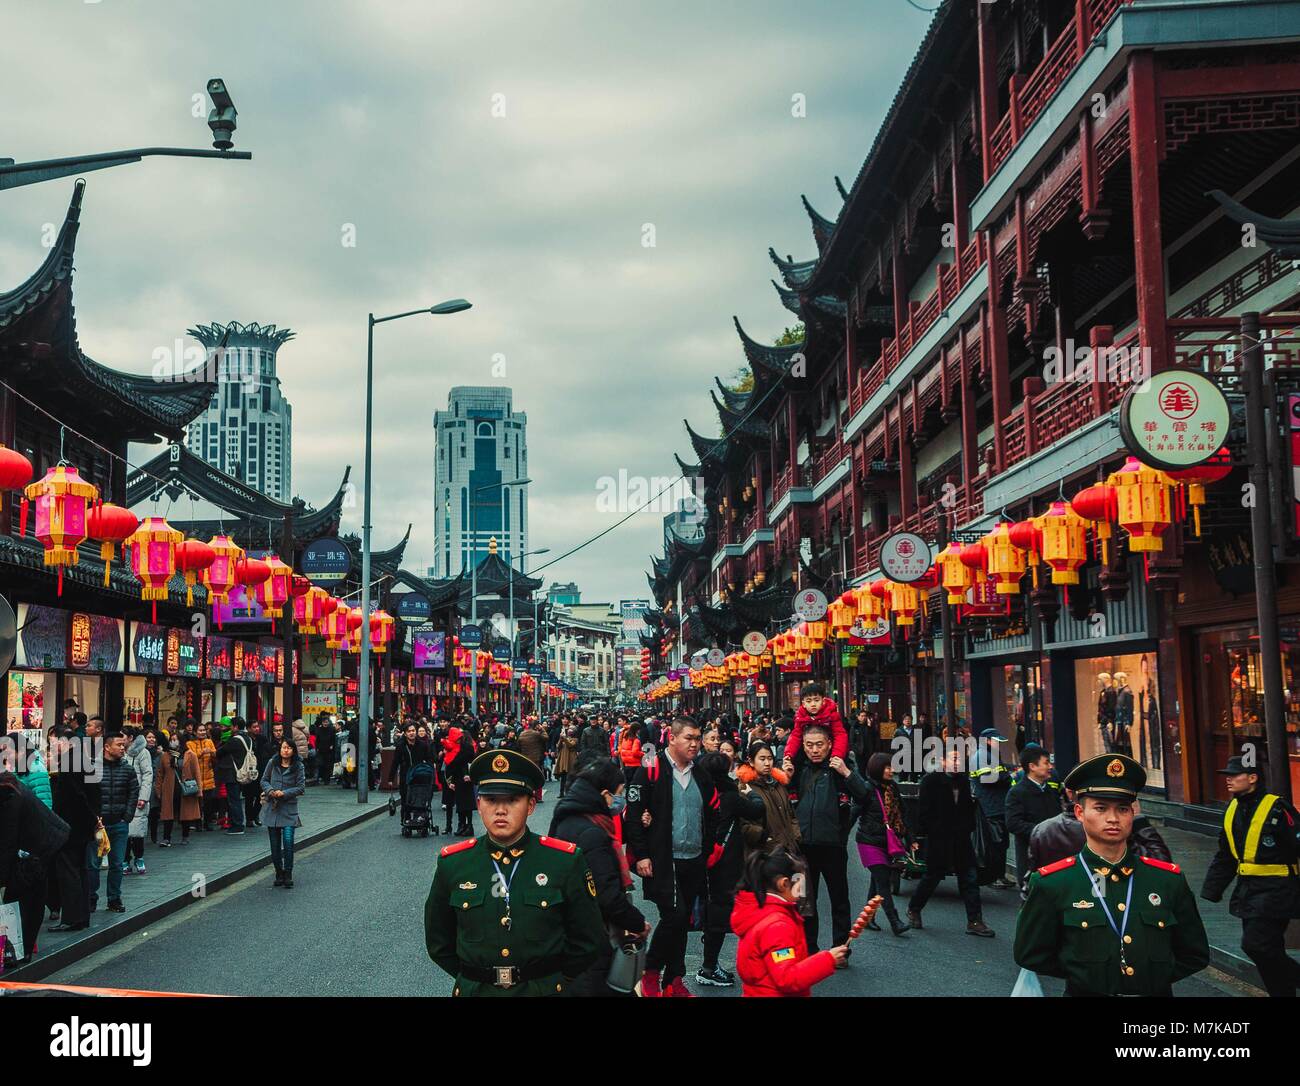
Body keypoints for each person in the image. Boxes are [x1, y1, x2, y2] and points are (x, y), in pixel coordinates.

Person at [1014, 753, 1209, 996]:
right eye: (1100, 808)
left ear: (1132, 813)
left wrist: (1151, 978)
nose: (1113, 818)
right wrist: (1085, 976)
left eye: (1123, 809)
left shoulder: (1167, 880)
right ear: (1079, 812)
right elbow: (1030, 954)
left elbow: (1195, 953)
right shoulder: (1052, 883)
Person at [424, 748, 604, 996]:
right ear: (479, 803)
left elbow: (589, 939)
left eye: (512, 800)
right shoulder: (454, 863)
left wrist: (550, 978)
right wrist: (474, 977)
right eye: (491, 800)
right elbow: (439, 942)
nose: (500, 810)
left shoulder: (563, 861)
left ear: (530, 805)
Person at [624, 715, 720, 998]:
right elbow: (632, 813)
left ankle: (674, 980)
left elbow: (714, 812)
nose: (695, 744)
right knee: (675, 916)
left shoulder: (701, 773)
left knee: (683, 920)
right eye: (689, 738)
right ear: (673, 738)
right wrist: (641, 854)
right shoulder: (651, 769)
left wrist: (710, 846)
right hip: (664, 860)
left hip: (694, 859)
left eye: (697, 738)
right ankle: (652, 971)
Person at [548, 754, 650, 996]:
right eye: (618, 793)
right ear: (604, 793)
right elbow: (607, 894)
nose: (619, 801)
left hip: (569, 935)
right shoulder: (591, 832)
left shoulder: (566, 818)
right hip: (591, 939)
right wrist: (636, 923)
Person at [1200, 754, 1300, 997]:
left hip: (1279, 890)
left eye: (1235, 775)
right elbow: (1226, 854)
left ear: (1253, 778)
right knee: (1268, 950)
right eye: (1228, 775)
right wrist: (1211, 889)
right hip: (1248, 890)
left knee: (1255, 944)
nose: (1228, 780)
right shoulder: (1232, 809)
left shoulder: (1277, 808)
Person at [782, 724, 870, 961]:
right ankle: (809, 949)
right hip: (802, 847)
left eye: (819, 744)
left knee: (839, 899)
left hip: (833, 846)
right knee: (805, 902)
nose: (814, 750)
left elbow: (865, 795)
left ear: (830, 744)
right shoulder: (799, 768)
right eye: (809, 745)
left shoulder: (841, 766)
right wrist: (785, 777)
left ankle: (840, 949)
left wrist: (846, 772)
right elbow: (779, 799)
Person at [731, 848, 861, 997]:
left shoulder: (760, 911)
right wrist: (828, 959)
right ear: (784, 884)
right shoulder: (777, 926)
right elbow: (787, 978)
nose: (803, 891)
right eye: (800, 884)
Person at [906, 749, 995, 937]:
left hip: (961, 839)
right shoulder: (930, 782)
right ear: (942, 761)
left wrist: (967, 827)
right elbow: (924, 813)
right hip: (939, 839)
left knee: (970, 879)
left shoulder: (963, 781)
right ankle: (914, 908)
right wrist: (934, 830)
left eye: (959, 759)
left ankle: (975, 920)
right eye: (953, 759)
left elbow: (967, 809)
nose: (957, 763)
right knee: (932, 877)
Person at [696, 750, 755, 988]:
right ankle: (709, 967)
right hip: (727, 863)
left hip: (703, 859)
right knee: (724, 911)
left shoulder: (699, 793)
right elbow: (757, 811)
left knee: (713, 909)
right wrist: (753, 795)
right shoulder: (729, 796)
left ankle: (710, 963)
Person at [856, 752, 913, 936]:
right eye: (888, 767)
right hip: (869, 841)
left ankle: (868, 917)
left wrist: (910, 839)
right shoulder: (866, 789)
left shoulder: (892, 787)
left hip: (887, 841)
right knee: (883, 881)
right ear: (878, 769)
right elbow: (853, 813)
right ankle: (895, 921)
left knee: (877, 880)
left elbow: (903, 814)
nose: (892, 770)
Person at [89, 732, 139, 915]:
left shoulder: (127, 769)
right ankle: (91, 898)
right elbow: (87, 795)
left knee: (117, 864)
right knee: (93, 864)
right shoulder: (92, 768)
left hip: (119, 823)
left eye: (123, 744)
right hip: (97, 824)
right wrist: (93, 816)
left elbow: (134, 792)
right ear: (107, 747)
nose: (122, 747)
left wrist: (126, 816)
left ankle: (114, 899)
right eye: (119, 744)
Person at [1005, 745, 1064, 894]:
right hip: (1030, 857)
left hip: (1054, 855)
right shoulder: (1017, 793)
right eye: (1046, 763)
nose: (1050, 767)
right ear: (1032, 766)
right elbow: (1013, 824)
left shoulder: (1050, 791)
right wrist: (1043, 830)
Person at [969, 728, 1015, 890]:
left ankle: (999, 876)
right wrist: (1008, 777)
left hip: (996, 806)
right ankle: (995, 877)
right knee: (996, 844)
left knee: (1001, 843)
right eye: (996, 741)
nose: (998, 744)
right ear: (988, 741)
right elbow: (987, 778)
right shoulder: (982, 756)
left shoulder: (989, 755)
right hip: (990, 807)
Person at [737, 741, 800, 859]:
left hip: (789, 848)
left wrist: (796, 836)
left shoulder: (778, 784)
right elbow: (743, 825)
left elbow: (791, 814)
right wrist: (764, 837)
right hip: (764, 853)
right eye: (762, 759)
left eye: (770, 758)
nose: (767, 763)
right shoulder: (745, 788)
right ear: (751, 761)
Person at [261, 738, 306, 888]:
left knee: (288, 843)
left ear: (293, 750)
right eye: (283, 748)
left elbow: (301, 787)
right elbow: (264, 780)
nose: (285, 750)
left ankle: (288, 873)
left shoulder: (298, 766)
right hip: (272, 808)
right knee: (274, 845)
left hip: (289, 809)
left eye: (288, 748)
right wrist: (271, 791)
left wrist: (284, 793)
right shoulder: (272, 763)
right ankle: (278, 872)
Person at [156, 733, 201, 847]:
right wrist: (158, 789)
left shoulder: (190, 755)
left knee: (185, 814)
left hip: (185, 788)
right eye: (171, 739)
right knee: (168, 815)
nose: (173, 741)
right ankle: (166, 838)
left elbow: (197, 773)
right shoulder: (165, 755)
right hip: (169, 788)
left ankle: (185, 836)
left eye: (175, 739)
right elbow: (160, 774)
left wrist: (199, 790)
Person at [783, 684, 849, 763]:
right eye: (809, 701)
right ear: (803, 704)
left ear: (823, 701)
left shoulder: (832, 715)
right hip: (808, 755)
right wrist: (789, 754)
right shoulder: (800, 717)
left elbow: (840, 735)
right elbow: (795, 736)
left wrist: (837, 755)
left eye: (816, 700)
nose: (813, 704)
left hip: (829, 752)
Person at [122, 725, 153, 875]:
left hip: (138, 796)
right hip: (123, 797)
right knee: (124, 832)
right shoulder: (120, 752)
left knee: (137, 832)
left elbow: (148, 775)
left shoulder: (143, 752)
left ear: (130, 738)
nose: (120, 739)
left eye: (123, 736)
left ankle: (139, 858)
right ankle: (125, 860)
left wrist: (143, 797)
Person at [214, 717, 253, 835]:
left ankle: (237, 825)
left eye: (231, 726)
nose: (230, 728)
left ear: (235, 727)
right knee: (237, 799)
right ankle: (236, 823)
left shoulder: (234, 740)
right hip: (244, 772)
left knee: (234, 800)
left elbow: (220, 752)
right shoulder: (248, 738)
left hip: (233, 773)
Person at [441, 726, 475, 836]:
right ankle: (462, 825)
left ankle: (468, 825)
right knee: (461, 803)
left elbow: (468, 761)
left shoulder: (466, 748)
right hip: (456, 777)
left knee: (466, 803)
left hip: (464, 777)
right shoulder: (453, 748)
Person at [187, 724, 217, 830]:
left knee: (209, 801)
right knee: (197, 802)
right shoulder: (189, 743)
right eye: (200, 730)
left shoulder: (209, 742)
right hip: (196, 777)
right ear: (195, 732)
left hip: (209, 776)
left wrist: (212, 753)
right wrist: (201, 752)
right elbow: (191, 757)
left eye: (204, 730)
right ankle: (197, 822)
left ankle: (207, 822)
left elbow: (215, 755)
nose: (203, 732)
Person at [517, 722, 548, 802]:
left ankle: (528, 795)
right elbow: (546, 738)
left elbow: (519, 746)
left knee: (527, 777)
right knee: (537, 777)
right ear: (536, 726)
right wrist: (542, 729)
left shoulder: (522, 734)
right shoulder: (536, 734)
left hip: (525, 759)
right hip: (536, 759)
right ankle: (538, 797)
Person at [553, 725, 579, 797]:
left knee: (570, 777)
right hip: (563, 759)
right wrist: (561, 739)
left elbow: (570, 745)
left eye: (572, 729)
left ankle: (570, 793)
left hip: (571, 760)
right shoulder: (564, 738)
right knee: (563, 777)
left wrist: (564, 739)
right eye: (569, 729)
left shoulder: (575, 739)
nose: (570, 730)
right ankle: (561, 793)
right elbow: (558, 746)